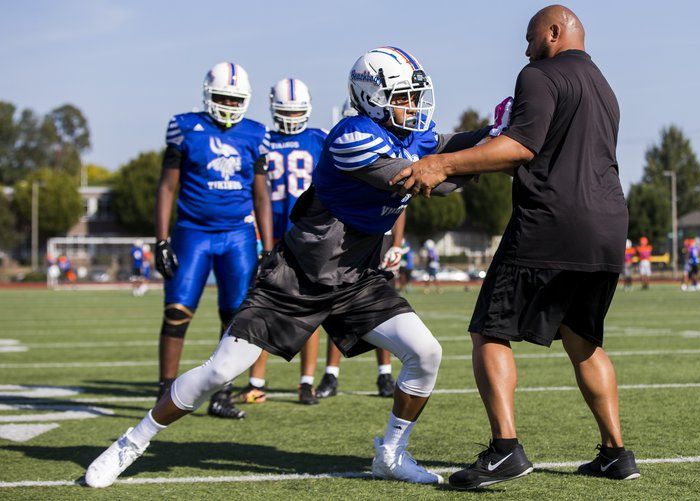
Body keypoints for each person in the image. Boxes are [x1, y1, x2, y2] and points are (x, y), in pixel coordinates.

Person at [85, 46, 495, 488]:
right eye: (402, 97)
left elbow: (446, 146)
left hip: (357, 276)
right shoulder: (352, 136)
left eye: (414, 96)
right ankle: (132, 441)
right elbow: (427, 178)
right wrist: (485, 161)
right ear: (371, 97)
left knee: (426, 352)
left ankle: (391, 454)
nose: (412, 106)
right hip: (298, 277)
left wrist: (501, 131)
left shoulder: (410, 132)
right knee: (221, 370)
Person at [390, 6, 640, 488]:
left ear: (554, 32)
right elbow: (542, 155)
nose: (525, 50)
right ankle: (616, 453)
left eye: (530, 38)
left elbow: (520, 147)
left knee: (489, 329)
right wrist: (481, 159)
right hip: (608, 226)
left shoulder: (539, 75)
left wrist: (443, 164)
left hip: (551, 221)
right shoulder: (603, 86)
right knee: (583, 340)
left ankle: (505, 449)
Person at [152, 62, 273, 420]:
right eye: (223, 97)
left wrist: (267, 247)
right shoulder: (184, 128)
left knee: (236, 318)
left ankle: (223, 393)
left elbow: (262, 195)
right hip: (193, 231)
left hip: (237, 234)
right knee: (177, 311)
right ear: (208, 95)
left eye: (235, 99)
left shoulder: (256, 133)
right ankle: (165, 389)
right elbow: (167, 187)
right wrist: (161, 240)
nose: (229, 105)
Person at [234, 78, 328, 406]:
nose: (291, 118)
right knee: (261, 310)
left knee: (310, 311)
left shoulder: (319, 139)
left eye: (297, 112)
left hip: (308, 237)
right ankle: (256, 382)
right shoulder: (263, 139)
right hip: (272, 236)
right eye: (286, 112)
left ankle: (306, 382)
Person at [314, 212, 405, 400]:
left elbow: (403, 203)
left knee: (383, 308)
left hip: (382, 238)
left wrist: (397, 245)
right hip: (349, 235)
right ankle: (331, 375)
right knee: (338, 305)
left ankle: (385, 374)